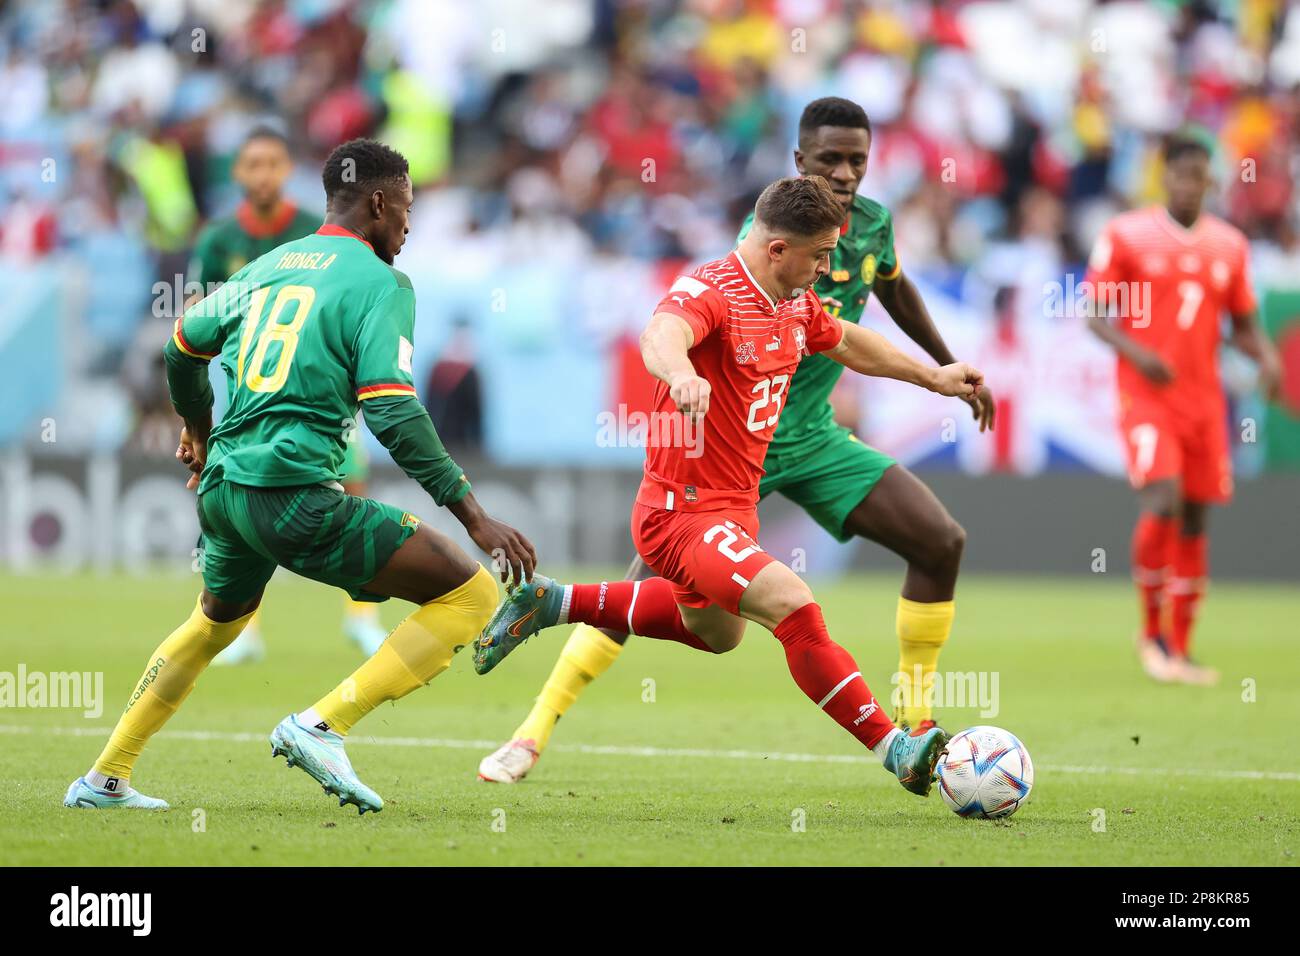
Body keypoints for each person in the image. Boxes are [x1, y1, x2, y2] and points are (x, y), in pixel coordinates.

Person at [480, 97, 993, 784]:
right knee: (794, 605)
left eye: (856, 162)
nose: (826, 273)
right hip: (682, 511)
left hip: (741, 499)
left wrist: (934, 374)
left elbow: (849, 340)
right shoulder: (716, 288)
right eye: (818, 259)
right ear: (780, 246)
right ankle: (894, 746)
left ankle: (554, 601)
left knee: (717, 634)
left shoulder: (793, 294)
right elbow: (660, 333)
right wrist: (681, 372)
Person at [63, 139, 535, 814]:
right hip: (293, 497)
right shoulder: (382, 283)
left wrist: (197, 430)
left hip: (224, 491)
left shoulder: (271, 265)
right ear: (377, 202)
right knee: (471, 597)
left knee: (211, 626)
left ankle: (104, 778)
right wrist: (476, 517)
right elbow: (394, 412)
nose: (408, 223)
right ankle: (322, 725)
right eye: (405, 206)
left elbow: (182, 346)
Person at [1086, 132, 1282, 685]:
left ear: (1210, 181)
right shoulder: (1126, 235)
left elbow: (1242, 325)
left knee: (1196, 514)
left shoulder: (1229, 245)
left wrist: (1266, 357)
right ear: (1163, 176)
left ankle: (1181, 647)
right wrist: (1138, 353)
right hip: (1146, 394)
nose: (1189, 185)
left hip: (1204, 400)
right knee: (1164, 498)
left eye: (1199, 177)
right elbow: (1096, 316)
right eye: (1179, 174)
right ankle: (1151, 633)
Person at [187, 125, 389, 662]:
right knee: (242, 494)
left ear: (287, 170)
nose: (263, 174)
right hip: (247, 391)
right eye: (253, 164)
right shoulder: (217, 242)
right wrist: (194, 417)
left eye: (274, 163)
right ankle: (242, 624)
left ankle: (362, 614)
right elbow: (195, 328)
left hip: (319, 391)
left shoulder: (312, 229)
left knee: (352, 479)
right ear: (237, 173)